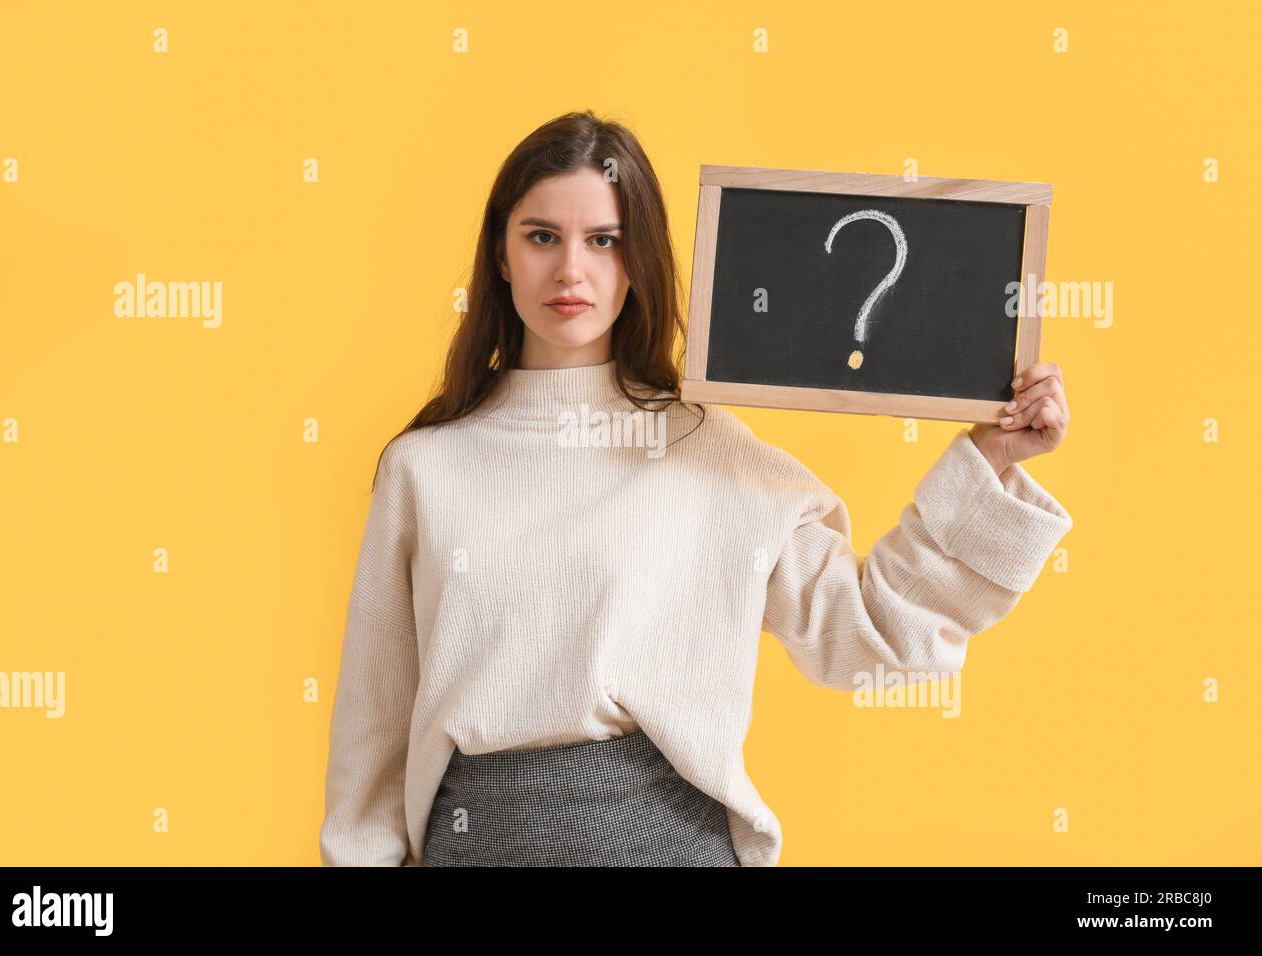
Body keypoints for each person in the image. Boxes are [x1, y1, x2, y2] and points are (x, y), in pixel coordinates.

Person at [319, 110, 1074, 867]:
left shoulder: (707, 453)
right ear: (503, 255)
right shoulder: (426, 468)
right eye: (542, 236)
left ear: (639, 260)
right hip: (481, 843)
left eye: (604, 240)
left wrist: (989, 462)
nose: (571, 271)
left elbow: (871, 633)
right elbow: (373, 736)